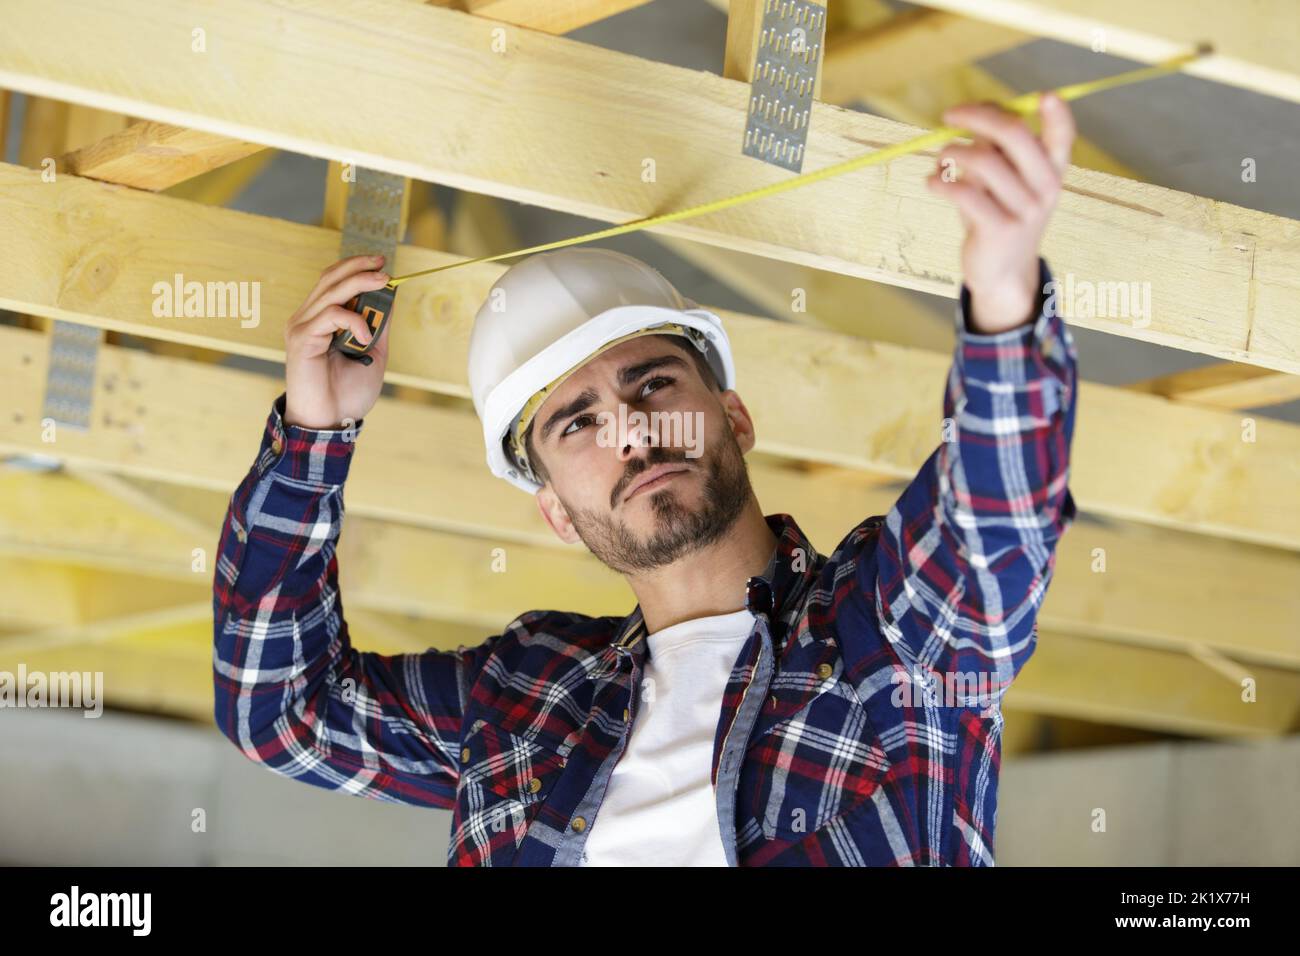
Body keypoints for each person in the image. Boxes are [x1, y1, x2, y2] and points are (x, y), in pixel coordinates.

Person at [213, 94, 1079, 866]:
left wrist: (1004, 305)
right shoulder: (525, 698)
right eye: (577, 422)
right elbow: (284, 712)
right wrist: (315, 438)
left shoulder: (884, 632)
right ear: (556, 512)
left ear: (734, 418)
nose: (631, 430)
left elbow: (993, 526)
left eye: (654, 384)